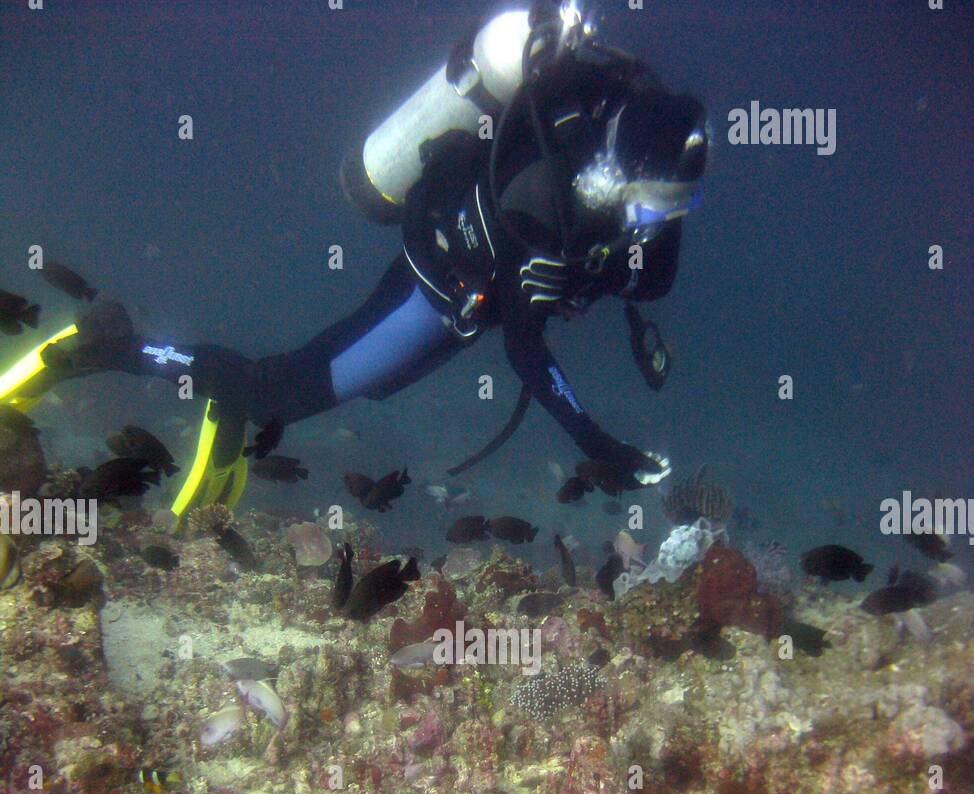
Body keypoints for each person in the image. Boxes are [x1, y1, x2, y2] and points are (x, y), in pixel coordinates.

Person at [32, 3, 708, 501]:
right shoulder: (543, 197)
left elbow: (657, 281)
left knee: (372, 388)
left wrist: (637, 244)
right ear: (615, 174)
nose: (653, 224)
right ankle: (105, 345)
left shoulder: (652, 175)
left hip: (470, 309)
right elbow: (527, 349)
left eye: (671, 209)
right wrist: (598, 446)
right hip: (433, 290)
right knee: (288, 391)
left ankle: (239, 398)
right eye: (649, 208)